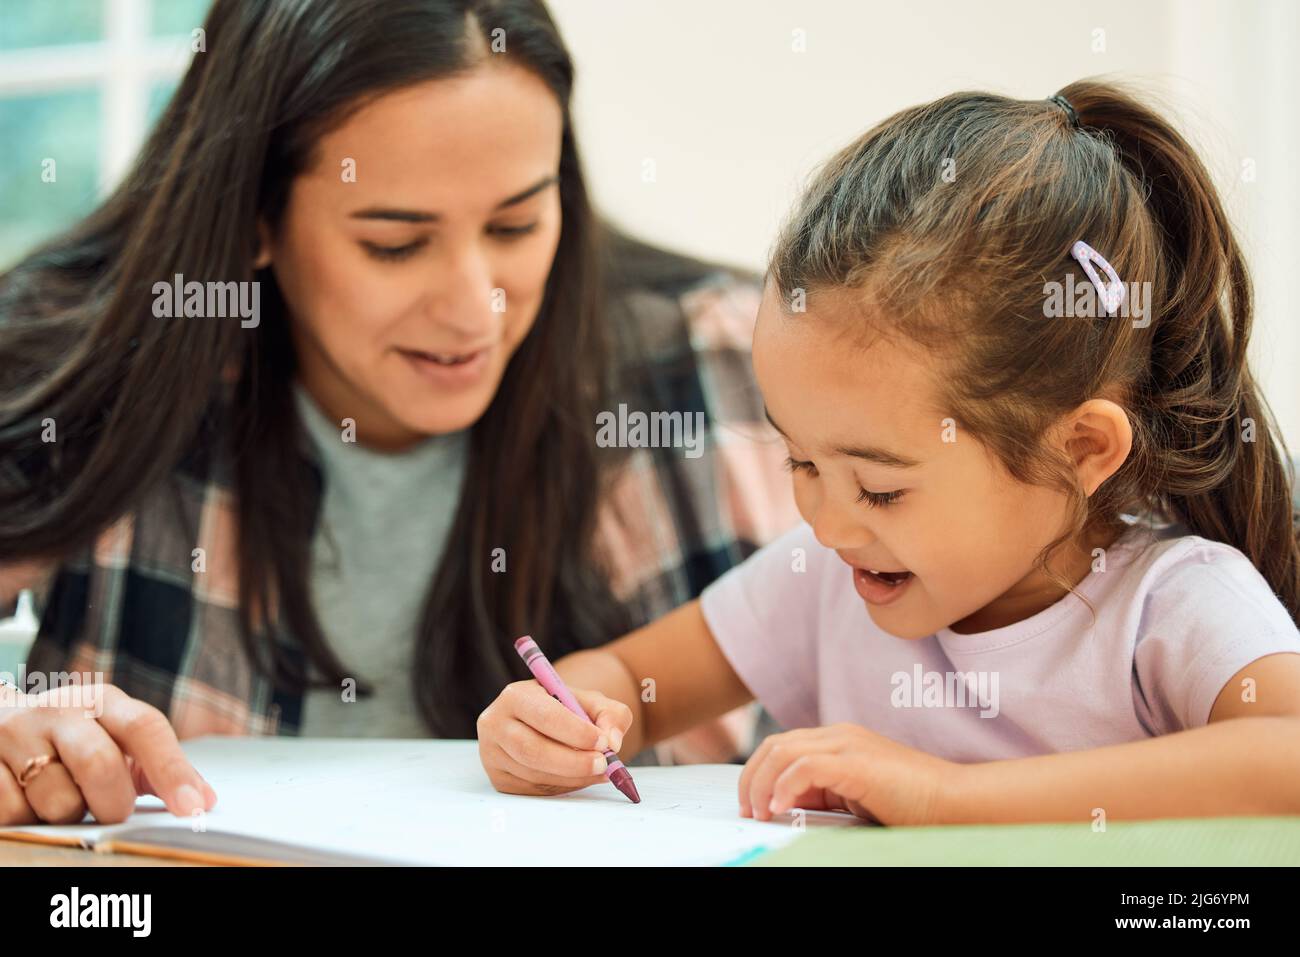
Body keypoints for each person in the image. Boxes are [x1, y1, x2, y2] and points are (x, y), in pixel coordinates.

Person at [477, 80, 1300, 824]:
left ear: (1082, 448)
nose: (828, 524)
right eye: (799, 462)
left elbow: (1286, 758)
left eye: (879, 488)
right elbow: (628, 677)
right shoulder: (823, 583)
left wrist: (947, 796)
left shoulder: (1171, 605)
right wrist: (565, 716)